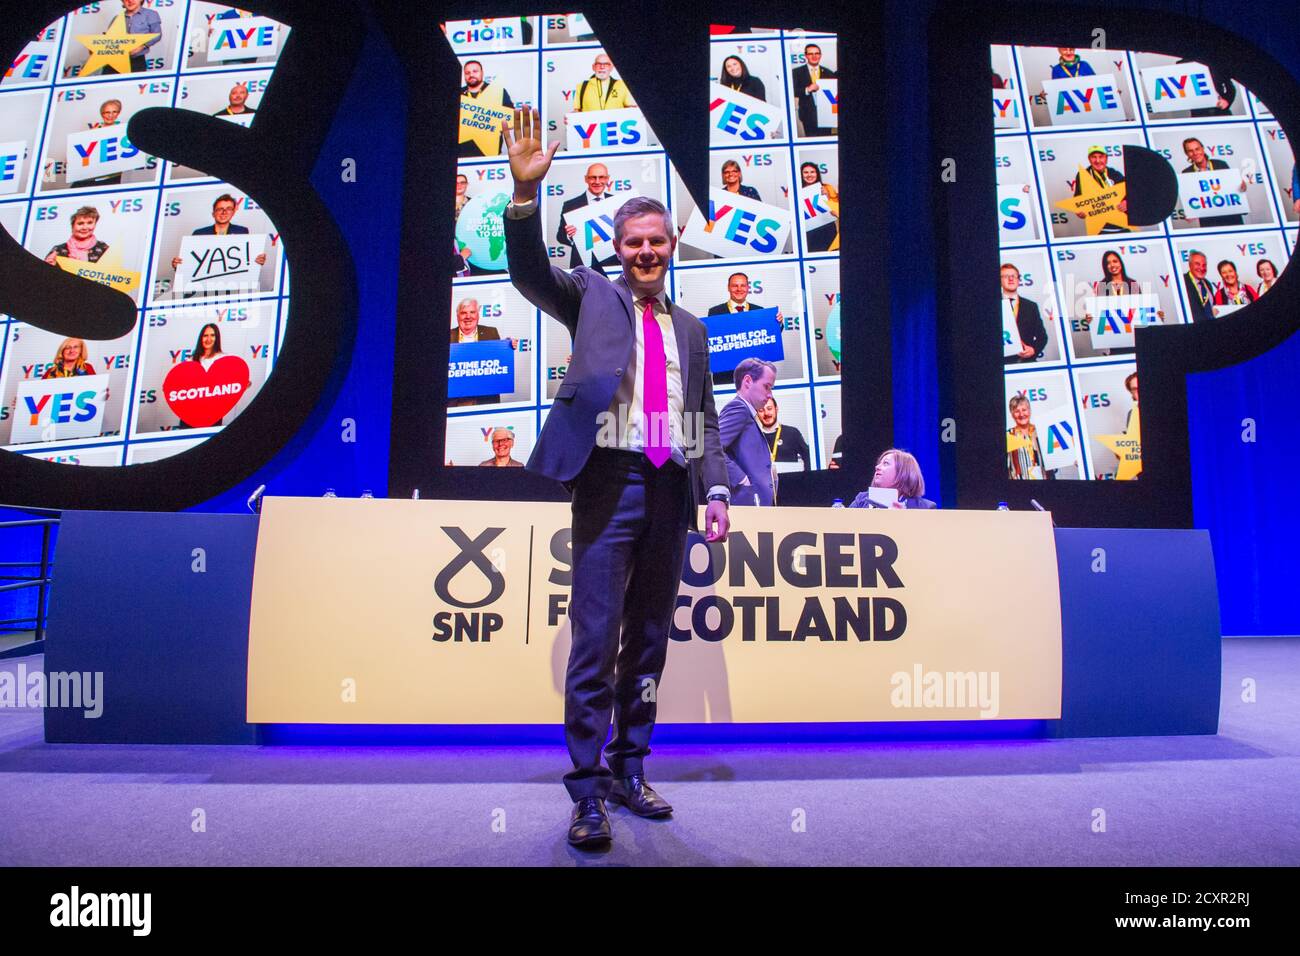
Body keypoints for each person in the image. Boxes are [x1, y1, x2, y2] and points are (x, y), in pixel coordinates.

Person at [501, 107, 728, 848]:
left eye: (656, 241)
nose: (645, 252)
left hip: (671, 488)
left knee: (651, 641)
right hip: (607, 481)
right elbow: (528, 271)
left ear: (671, 247)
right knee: (596, 640)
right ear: (617, 247)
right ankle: (588, 793)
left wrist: (715, 488)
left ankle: (632, 770)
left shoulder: (691, 328)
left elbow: (700, 411)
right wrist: (525, 197)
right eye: (633, 242)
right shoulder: (590, 295)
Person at [170, 194, 267, 291]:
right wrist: (178, 266)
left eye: (228, 209)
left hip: (232, 287)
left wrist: (256, 261)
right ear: (213, 213)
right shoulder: (199, 233)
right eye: (220, 209)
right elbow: (191, 265)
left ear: (233, 212)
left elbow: (246, 260)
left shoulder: (242, 231)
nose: (224, 212)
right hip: (205, 288)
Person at [1079, 249, 1164, 356]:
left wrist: (1156, 316)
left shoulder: (1132, 283)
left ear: (1120, 263)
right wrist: (1091, 318)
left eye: (1115, 261)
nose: (1112, 265)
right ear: (1105, 267)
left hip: (1136, 339)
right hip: (1116, 342)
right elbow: (1099, 315)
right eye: (1108, 263)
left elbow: (1142, 312)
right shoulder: (1101, 286)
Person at [706, 271, 783, 385]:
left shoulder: (759, 311)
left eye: (742, 285)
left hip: (755, 376)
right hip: (726, 377)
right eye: (735, 285)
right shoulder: (715, 312)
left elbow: (769, 335)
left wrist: (778, 323)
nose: (739, 289)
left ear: (748, 288)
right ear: (728, 288)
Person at [717, 357, 777, 505]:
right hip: (747, 503)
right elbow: (712, 448)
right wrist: (742, 480)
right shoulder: (738, 409)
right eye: (766, 387)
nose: (770, 395)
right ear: (748, 381)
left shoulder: (746, 411)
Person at [555, 163, 619, 271]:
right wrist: (570, 236)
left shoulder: (617, 203)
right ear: (586, 179)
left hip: (612, 264)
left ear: (607, 179)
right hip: (582, 266)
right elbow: (560, 236)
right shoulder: (570, 205)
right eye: (593, 177)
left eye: (601, 177)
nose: (597, 181)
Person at [448, 297, 504, 407]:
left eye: (472, 312)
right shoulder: (447, 336)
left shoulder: (491, 332)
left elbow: (499, 362)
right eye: (463, 313)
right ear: (457, 315)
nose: (468, 316)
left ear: (478, 314)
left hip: (485, 400)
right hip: (456, 401)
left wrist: (508, 346)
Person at [1181, 137, 1246, 227]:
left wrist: (1241, 187)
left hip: (1232, 218)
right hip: (1209, 222)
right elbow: (1192, 199)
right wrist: (1191, 211)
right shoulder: (1186, 174)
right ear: (1187, 154)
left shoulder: (1221, 164)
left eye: (1197, 149)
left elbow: (1235, 191)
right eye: (1190, 151)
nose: (1195, 153)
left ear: (1203, 149)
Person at [459, 60, 513, 157]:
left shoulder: (498, 92)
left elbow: (510, 118)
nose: (471, 75)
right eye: (467, 73)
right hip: (462, 154)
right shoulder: (456, 94)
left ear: (482, 72)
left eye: (475, 71)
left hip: (489, 153)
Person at [848, 449, 936, 509]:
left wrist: (904, 518)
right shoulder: (861, 500)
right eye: (879, 463)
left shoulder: (925, 507)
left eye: (885, 463)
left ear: (903, 472)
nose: (877, 467)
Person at [1072, 146, 1129, 233]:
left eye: (1101, 157)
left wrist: (1126, 202)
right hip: (1100, 228)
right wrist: (1079, 210)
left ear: (1106, 158)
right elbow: (1077, 199)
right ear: (1089, 159)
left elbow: (1131, 192)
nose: (1098, 161)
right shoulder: (1083, 175)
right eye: (1094, 157)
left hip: (1122, 226)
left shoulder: (1114, 173)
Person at [999, 263, 1047, 364]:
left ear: (1019, 280)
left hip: (1026, 362)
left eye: (1014, 276)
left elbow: (1042, 337)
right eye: (1006, 276)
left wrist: (1033, 350)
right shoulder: (991, 307)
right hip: (1001, 365)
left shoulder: (1031, 306)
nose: (1011, 279)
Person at [71, 99, 125, 188]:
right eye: (107, 112)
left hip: (112, 176)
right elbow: (85, 155)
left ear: (118, 113)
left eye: (114, 112)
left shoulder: (122, 132)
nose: (111, 115)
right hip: (92, 175)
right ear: (102, 113)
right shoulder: (93, 131)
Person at [791, 43, 837, 137]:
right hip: (808, 115)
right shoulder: (796, 72)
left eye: (817, 53)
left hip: (826, 116)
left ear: (820, 55)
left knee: (825, 141)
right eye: (811, 54)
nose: (814, 56)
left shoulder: (829, 73)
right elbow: (792, 91)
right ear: (806, 56)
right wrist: (807, 89)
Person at [756, 395, 810, 472]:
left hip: (791, 482)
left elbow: (809, 457)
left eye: (769, 409)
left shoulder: (792, 433)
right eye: (761, 410)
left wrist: (805, 478)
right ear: (757, 414)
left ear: (776, 409)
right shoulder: (752, 437)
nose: (766, 413)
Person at [1007, 394, 1054, 479]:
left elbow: (1055, 458)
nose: (1021, 414)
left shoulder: (1041, 432)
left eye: (1024, 410)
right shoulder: (1009, 435)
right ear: (1012, 414)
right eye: (1017, 411)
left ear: (1030, 411)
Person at [114, 0, 163, 75]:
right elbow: (109, 39)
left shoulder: (150, 14)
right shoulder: (117, 18)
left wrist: (142, 46)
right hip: (116, 60)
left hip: (137, 61)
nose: (130, 1)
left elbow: (157, 35)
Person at [800, 162, 839, 253]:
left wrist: (827, 196)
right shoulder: (796, 190)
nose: (809, 175)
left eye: (812, 172)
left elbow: (836, 208)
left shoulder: (827, 187)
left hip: (827, 227)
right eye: (806, 172)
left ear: (817, 173)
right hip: (808, 230)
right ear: (801, 175)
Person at [1182, 250, 1217, 323]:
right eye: (1197, 264)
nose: (1201, 268)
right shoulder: (1182, 282)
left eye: (1204, 265)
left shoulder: (1208, 284)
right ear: (1190, 265)